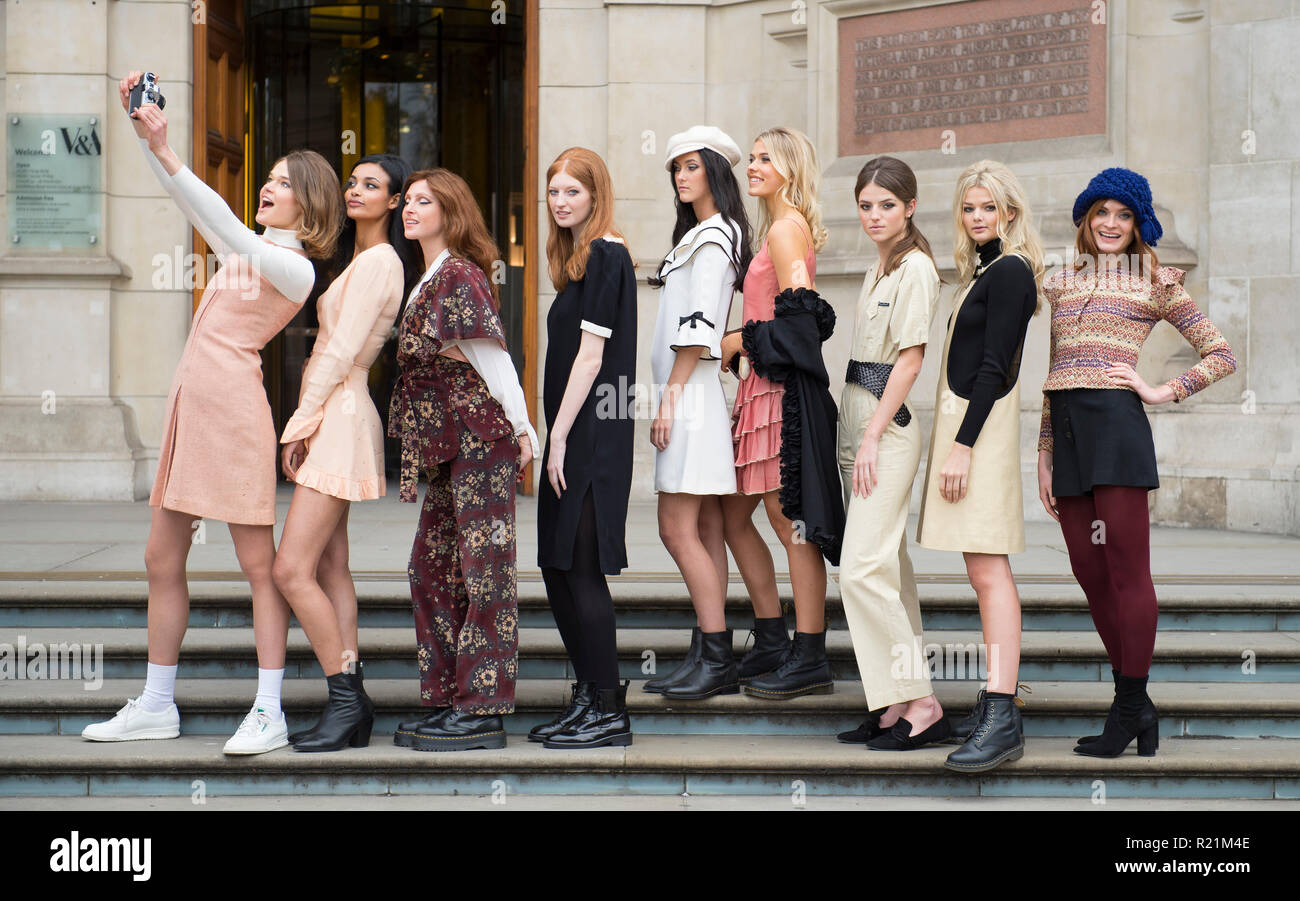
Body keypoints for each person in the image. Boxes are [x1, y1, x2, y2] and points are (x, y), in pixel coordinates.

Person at [82, 72, 341, 754]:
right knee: (160, 555)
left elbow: (221, 220)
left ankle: (268, 709)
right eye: (272, 178)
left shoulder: (295, 268)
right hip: (191, 409)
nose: (270, 186)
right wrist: (147, 134)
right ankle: (157, 702)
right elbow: (193, 206)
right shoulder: (247, 250)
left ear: (309, 203)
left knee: (259, 567)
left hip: (232, 415)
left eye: (285, 182)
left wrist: (168, 147)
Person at [1038, 168, 1236, 758]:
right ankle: (1138, 706)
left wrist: (1159, 391)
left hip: (1118, 433)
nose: (1110, 224)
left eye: (1123, 215)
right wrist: (1044, 453)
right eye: (1101, 212)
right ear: (1086, 218)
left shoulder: (1157, 280)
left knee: (1127, 570)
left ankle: (1128, 703)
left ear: (1137, 224)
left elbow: (1220, 354)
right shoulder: (1062, 282)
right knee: (1086, 568)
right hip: (1069, 432)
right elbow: (1052, 372)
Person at [273, 155, 419, 752]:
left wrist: (298, 422)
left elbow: (337, 355)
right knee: (329, 567)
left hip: (339, 414)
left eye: (372, 186)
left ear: (394, 201)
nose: (356, 191)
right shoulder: (361, 260)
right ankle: (351, 698)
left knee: (289, 569)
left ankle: (344, 696)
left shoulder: (381, 262)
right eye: (353, 182)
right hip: (339, 412)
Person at [388, 169, 538, 752]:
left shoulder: (460, 275)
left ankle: (482, 708)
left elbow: (494, 361)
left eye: (425, 202)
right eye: (409, 200)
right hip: (451, 446)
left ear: (451, 212)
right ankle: (451, 697)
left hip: (483, 440)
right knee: (429, 567)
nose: (410, 209)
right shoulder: (427, 277)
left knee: (486, 572)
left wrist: (524, 430)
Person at [914, 160, 1043, 768]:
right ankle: (997, 700)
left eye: (989, 208)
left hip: (980, 436)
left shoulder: (1012, 272)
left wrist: (962, 445)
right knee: (981, 570)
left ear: (1010, 214)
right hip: (967, 431)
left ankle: (1002, 713)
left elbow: (996, 368)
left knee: (990, 571)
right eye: (969, 208)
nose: (977, 218)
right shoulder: (984, 270)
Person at [717, 126, 841, 700]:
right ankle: (772, 636)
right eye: (753, 157)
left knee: (789, 525)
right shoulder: (775, 229)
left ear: (791, 167)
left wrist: (738, 339)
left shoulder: (787, 230)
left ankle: (809, 652)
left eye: (767, 158)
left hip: (779, 394)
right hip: (758, 391)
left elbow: (802, 325)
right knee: (732, 517)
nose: (754, 165)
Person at [832, 157, 945, 752]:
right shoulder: (880, 267)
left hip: (887, 428)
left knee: (861, 569)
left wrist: (872, 435)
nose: (874, 215)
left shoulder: (917, 269)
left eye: (886, 205)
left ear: (909, 208)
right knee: (891, 572)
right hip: (859, 426)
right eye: (866, 204)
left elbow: (909, 360)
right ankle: (895, 702)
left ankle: (922, 702)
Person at [529, 147, 637, 748]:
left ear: (596, 195)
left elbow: (591, 358)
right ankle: (590, 700)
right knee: (557, 565)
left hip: (590, 436)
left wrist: (560, 437)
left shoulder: (605, 255)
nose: (562, 201)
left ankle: (609, 711)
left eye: (573, 191)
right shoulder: (579, 258)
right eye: (554, 192)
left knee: (584, 569)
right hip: (573, 434)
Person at [640, 127, 753, 700]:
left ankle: (716, 654)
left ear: (714, 169)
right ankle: (711, 652)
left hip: (691, 394)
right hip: (693, 392)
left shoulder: (714, 237)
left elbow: (701, 324)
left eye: (691, 166)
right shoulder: (702, 235)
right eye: (675, 170)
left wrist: (670, 396)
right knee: (705, 527)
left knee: (675, 527)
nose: (682, 177)